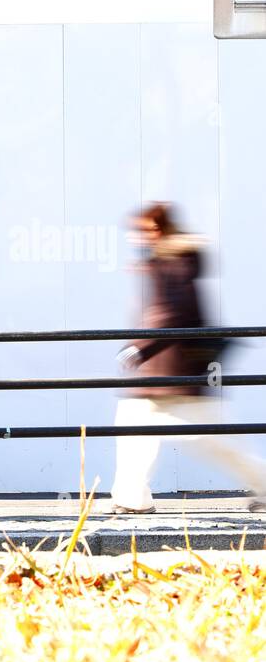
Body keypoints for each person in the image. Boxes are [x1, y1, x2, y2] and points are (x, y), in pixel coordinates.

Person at [110, 202, 266, 514]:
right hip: (169, 369)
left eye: (140, 231)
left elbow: (171, 313)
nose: (134, 239)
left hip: (174, 369)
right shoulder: (169, 260)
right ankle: (131, 496)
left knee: (211, 439)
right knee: (134, 425)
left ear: (156, 230)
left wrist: (141, 348)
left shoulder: (172, 260)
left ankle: (132, 496)